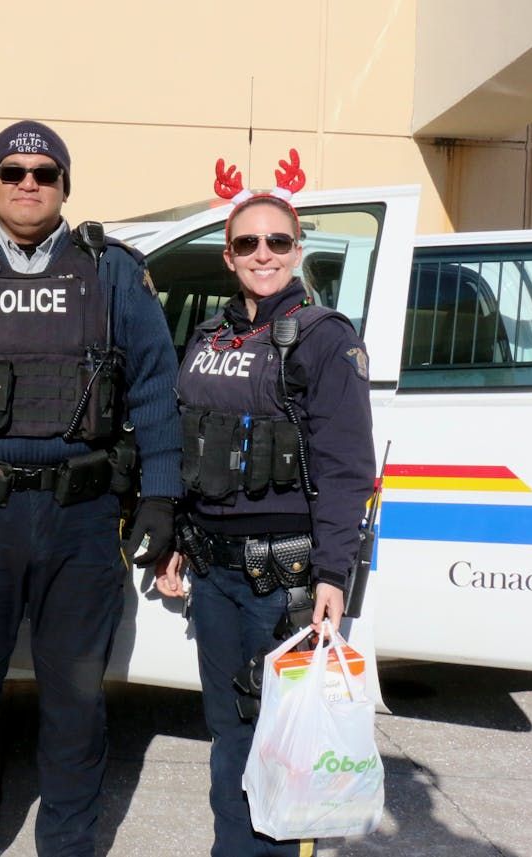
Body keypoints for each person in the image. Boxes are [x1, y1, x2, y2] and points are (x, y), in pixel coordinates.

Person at [0, 120, 182, 857]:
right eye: (12, 171)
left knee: (74, 700)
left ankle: (67, 844)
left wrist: (161, 498)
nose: (28, 182)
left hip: (81, 514)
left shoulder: (112, 273)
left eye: (44, 171)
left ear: (65, 184)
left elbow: (157, 393)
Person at [154, 154, 376, 857]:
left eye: (277, 242)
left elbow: (347, 469)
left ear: (297, 249)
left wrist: (334, 574)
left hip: (284, 580)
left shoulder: (322, 337)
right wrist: (178, 539)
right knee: (229, 738)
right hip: (213, 575)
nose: (263, 255)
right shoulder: (211, 336)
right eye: (247, 243)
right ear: (228, 255)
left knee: (284, 746)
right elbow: (194, 447)